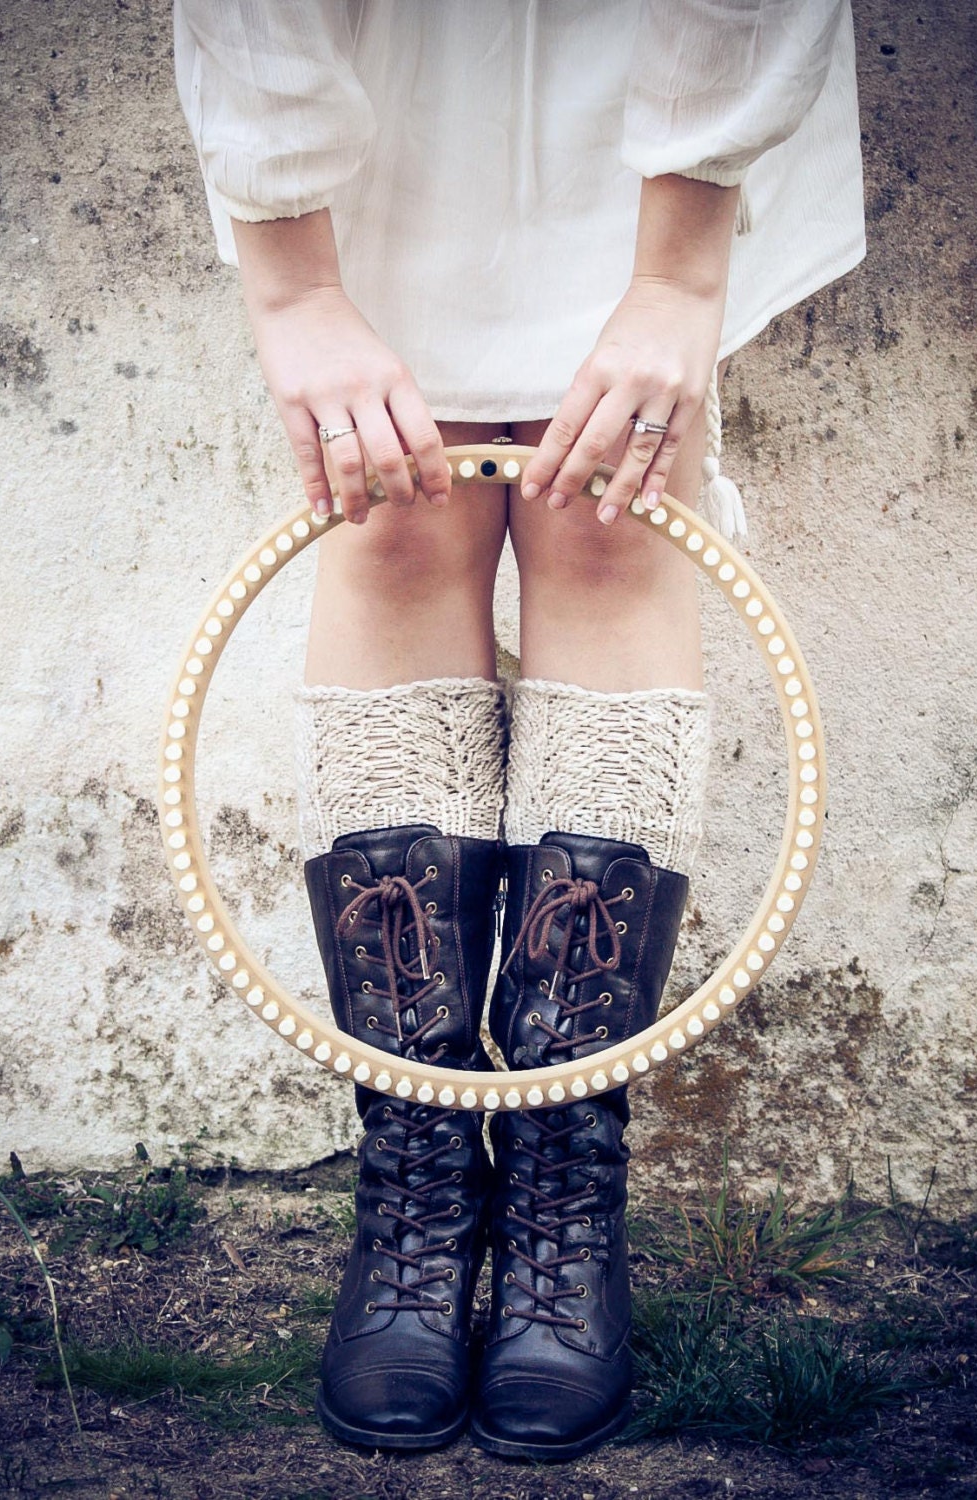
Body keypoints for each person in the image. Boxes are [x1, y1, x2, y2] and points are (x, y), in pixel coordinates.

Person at [172, 0, 864, 1461]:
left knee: (609, 527)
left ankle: (562, 1187)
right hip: (387, 79)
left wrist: (679, 273)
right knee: (391, 522)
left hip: (650, 85)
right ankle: (417, 1180)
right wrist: (296, 294)